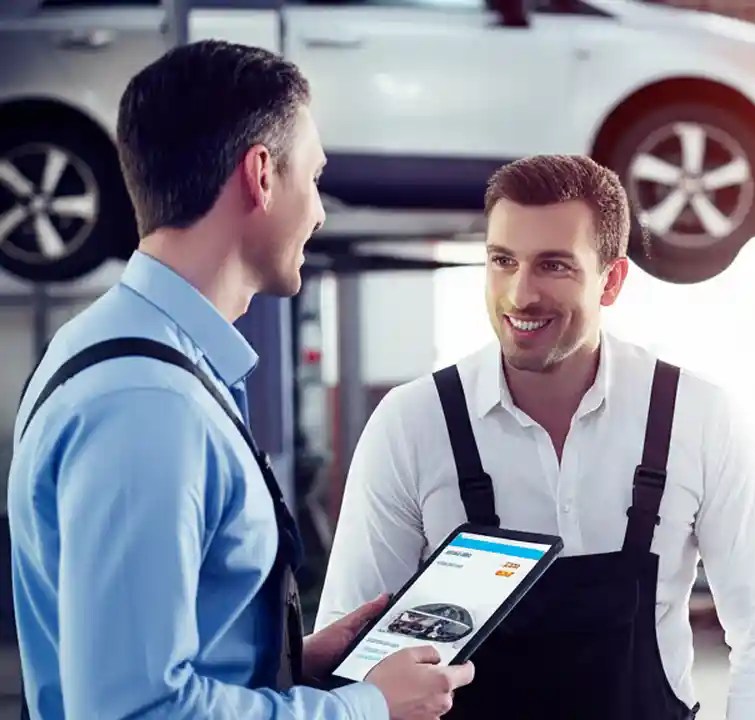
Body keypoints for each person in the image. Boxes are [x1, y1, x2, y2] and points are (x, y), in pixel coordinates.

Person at [7, 40, 472, 719]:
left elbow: (162, 647)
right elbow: (132, 710)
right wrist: (366, 709)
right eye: (312, 179)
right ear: (260, 174)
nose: (318, 212)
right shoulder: (148, 405)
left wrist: (288, 657)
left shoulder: (120, 349)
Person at [316, 154, 755, 719]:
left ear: (612, 281)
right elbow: (350, 645)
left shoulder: (697, 418)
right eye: (502, 260)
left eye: (554, 265)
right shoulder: (412, 424)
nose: (520, 294)